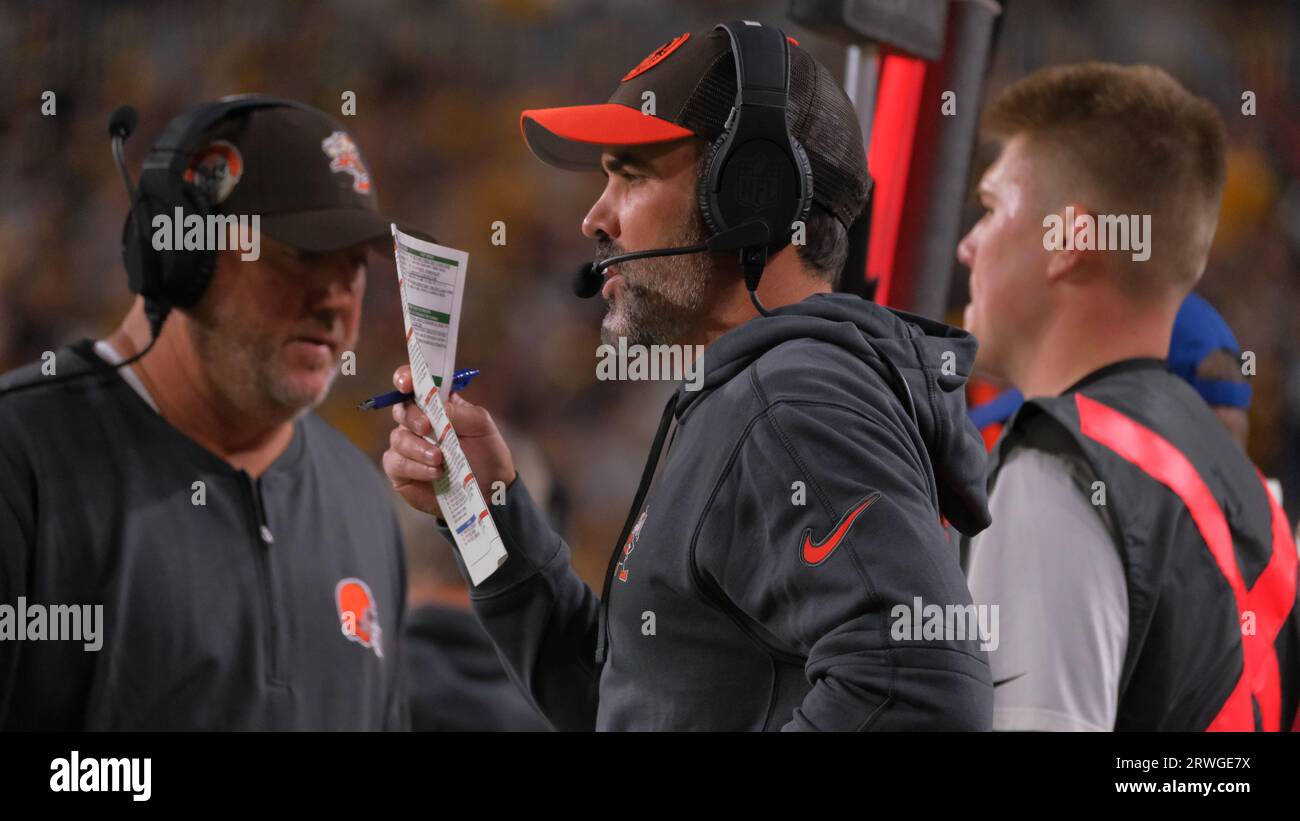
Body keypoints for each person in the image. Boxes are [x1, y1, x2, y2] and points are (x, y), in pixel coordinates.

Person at [383, 22, 994, 731]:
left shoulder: (793, 400)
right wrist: (490, 511)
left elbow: (920, 687)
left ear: (749, 194)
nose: (593, 217)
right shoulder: (752, 394)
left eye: (631, 173)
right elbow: (622, 705)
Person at [0, 98, 410, 729]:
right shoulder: (21, 463)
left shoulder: (362, 501)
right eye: (301, 254)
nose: (334, 300)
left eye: (355, 266)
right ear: (181, 257)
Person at [958, 63, 1300, 731]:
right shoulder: (1250, 493)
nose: (968, 244)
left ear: (1071, 241)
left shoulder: (1059, 467)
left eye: (993, 208)